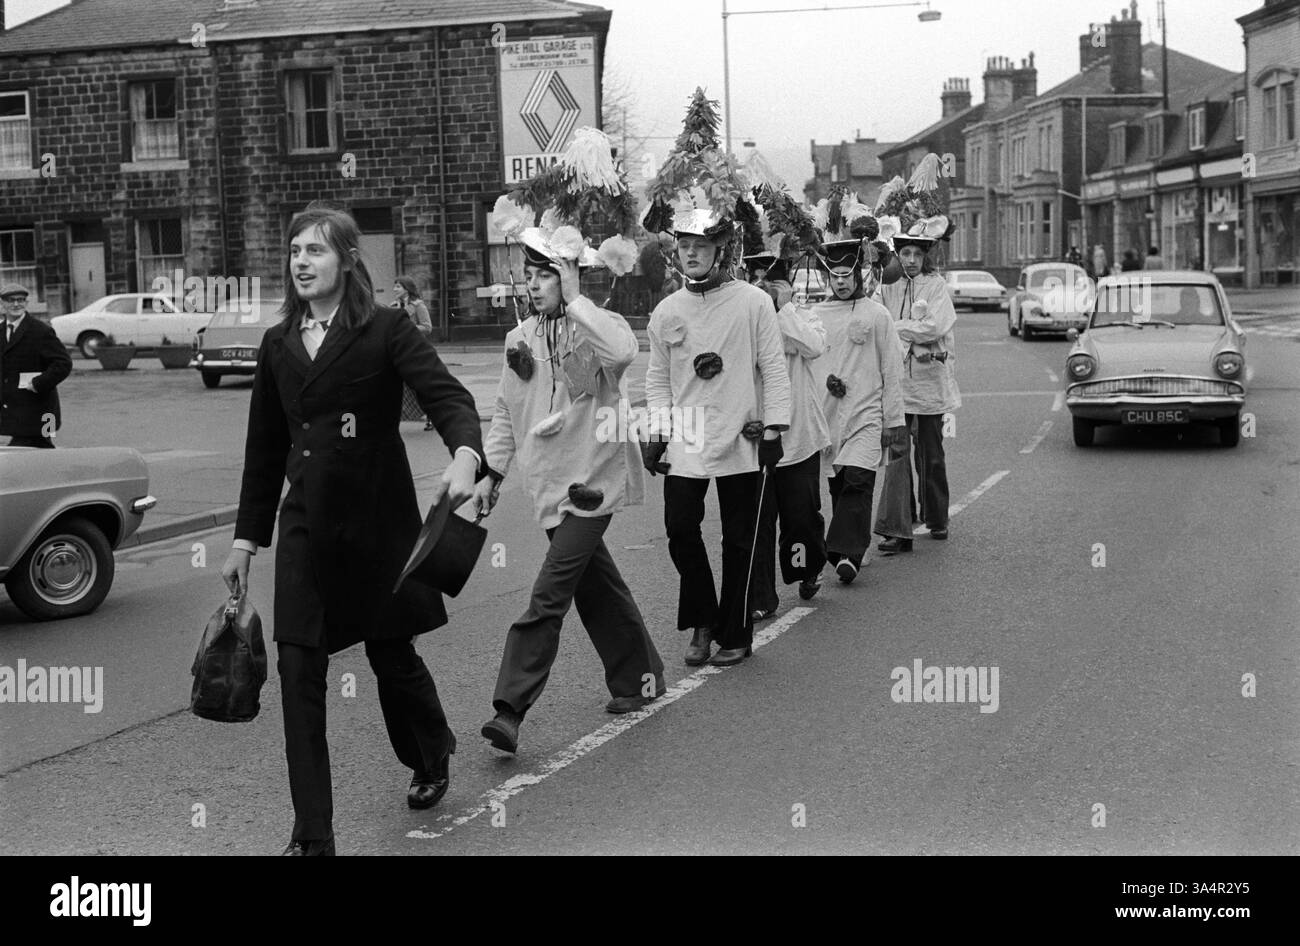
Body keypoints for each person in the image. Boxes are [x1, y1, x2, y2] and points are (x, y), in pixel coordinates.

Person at [221, 204, 487, 856]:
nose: (302, 262)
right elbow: (262, 454)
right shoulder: (278, 344)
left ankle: (432, 752)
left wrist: (464, 454)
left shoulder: (386, 330)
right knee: (295, 669)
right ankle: (313, 836)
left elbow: (446, 397)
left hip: (378, 527)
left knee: (391, 657)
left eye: (316, 250)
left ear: (346, 260)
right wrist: (244, 542)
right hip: (307, 528)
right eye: (294, 252)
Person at [473, 227, 665, 753]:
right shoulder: (519, 340)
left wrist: (577, 297)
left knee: (550, 593)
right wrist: (491, 475)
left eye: (546, 276)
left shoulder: (599, 330)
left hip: (594, 484)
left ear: (568, 277)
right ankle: (641, 677)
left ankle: (509, 708)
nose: (535, 286)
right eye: (529, 276)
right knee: (595, 584)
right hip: (548, 487)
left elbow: (624, 350)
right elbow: (506, 414)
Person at [643, 207, 790, 666]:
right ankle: (702, 619)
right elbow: (658, 379)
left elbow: (775, 368)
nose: (690, 253)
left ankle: (736, 632)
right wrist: (657, 431)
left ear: (720, 250)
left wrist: (774, 427)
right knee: (680, 529)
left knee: (739, 539)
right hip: (687, 438)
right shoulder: (667, 310)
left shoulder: (753, 302)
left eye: (700, 246)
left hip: (741, 435)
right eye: (684, 246)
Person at [809, 235, 906, 583]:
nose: (841, 282)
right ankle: (848, 545)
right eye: (834, 276)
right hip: (828, 416)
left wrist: (894, 420)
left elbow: (892, 370)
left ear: (859, 274)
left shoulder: (877, 315)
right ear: (826, 278)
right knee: (839, 484)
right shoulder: (815, 315)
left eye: (847, 275)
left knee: (858, 478)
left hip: (867, 414)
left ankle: (846, 552)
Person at [748, 262, 832, 616]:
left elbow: (813, 347)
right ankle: (762, 598)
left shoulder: (803, 317)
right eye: (756, 280)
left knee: (800, 518)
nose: (764, 287)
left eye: (772, 282)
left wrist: (783, 308)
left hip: (798, 439)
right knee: (757, 524)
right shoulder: (743, 316)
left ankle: (807, 570)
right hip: (755, 441)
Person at [873, 228, 960, 554]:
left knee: (931, 456)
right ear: (898, 255)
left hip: (928, 387)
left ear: (926, 258)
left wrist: (897, 330)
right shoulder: (886, 286)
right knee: (896, 457)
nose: (911, 260)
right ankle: (900, 524)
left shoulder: (936, 287)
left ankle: (937, 517)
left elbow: (935, 327)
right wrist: (907, 333)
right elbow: (877, 324)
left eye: (917, 255)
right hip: (896, 386)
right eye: (905, 254)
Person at [0, 283, 71, 449]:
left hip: (42, 406)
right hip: (14, 407)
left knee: (33, 448)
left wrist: (38, 383)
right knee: (31, 450)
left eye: (21, 300)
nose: (16, 304)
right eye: (11, 300)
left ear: (26, 303)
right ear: (2, 304)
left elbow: (63, 363)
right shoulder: (1, 331)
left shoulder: (41, 331)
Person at [393, 276, 437, 430]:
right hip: (399, 351)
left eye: (398, 286)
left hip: (416, 350)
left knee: (421, 385)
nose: (395, 290)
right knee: (396, 385)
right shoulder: (393, 307)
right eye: (395, 287)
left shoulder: (418, 306)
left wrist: (408, 327)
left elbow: (427, 327)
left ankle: (431, 416)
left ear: (406, 288)